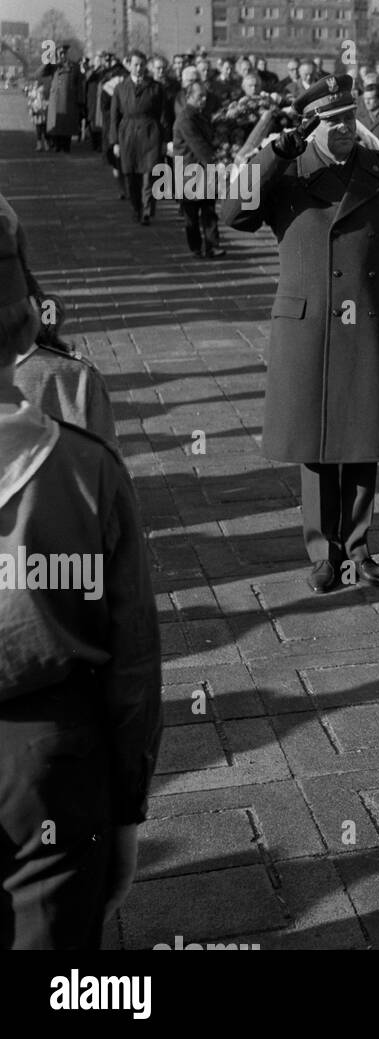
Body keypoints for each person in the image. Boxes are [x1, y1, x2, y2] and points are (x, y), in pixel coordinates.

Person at [0, 223, 161, 949]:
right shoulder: (88, 467)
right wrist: (127, 806)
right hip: (50, 754)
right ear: (25, 321)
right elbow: (132, 657)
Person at [219, 77, 379, 593]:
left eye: (349, 118)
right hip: (307, 324)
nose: (345, 129)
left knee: (361, 438)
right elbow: (231, 214)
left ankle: (358, 548)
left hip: (370, 321)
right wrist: (277, 152)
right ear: (310, 126)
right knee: (313, 442)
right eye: (332, 122)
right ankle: (322, 553)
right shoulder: (286, 173)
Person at [109, 50, 168, 226]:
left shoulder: (156, 88)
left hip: (150, 133)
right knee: (131, 175)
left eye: (142, 65)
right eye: (135, 64)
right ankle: (136, 208)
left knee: (150, 173)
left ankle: (147, 210)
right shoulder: (120, 88)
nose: (139, 68)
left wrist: (164, 140)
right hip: (128, 135)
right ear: (129, 65)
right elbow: (114, 117)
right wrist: (115, 142)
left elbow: (164, 116)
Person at [171, 78, 227, 259]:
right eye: (200, 96)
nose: (204, 99)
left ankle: (212, 246)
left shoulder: (199, 114)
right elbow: (198, 145)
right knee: (192, 214)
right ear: (189, 97)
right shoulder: (186, 118)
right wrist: (216, 162)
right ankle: (196, 247)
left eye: (205, 96)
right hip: (190, 170)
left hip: (202, 169)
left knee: (209, 210)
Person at [44, 44, 84, 154]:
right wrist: (49, 60)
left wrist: (80, 101)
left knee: (67, 126)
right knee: (56, 124)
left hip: (69, 101)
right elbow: (41, 73)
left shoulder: (74, 67)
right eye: (60, 53)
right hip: (55, 101)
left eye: (63, 53)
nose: (62, 56)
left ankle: (66, 146)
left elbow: (80, 84)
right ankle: (57, 145)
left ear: (66, 54)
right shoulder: (53, 67)